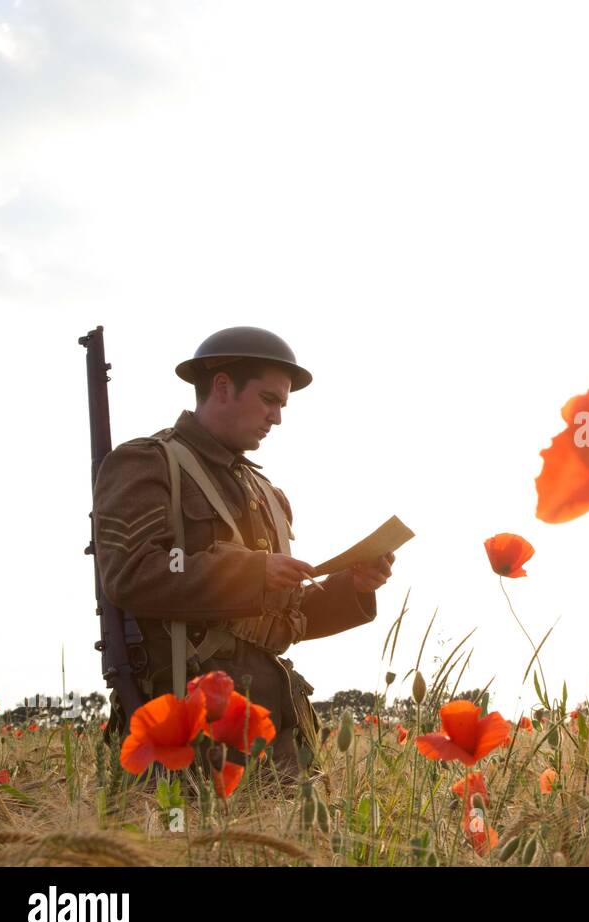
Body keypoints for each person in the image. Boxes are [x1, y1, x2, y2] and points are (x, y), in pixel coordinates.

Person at [92, 327, 394, 781]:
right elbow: (133, 572)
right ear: (222, 386)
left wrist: (350, 586)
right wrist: (251, 572)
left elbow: (280, 619)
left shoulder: (266, 492)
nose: (276, 417)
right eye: (269, 400)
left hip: (277, 732)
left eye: (282, 405)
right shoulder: (149, 463)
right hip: (190, 733)